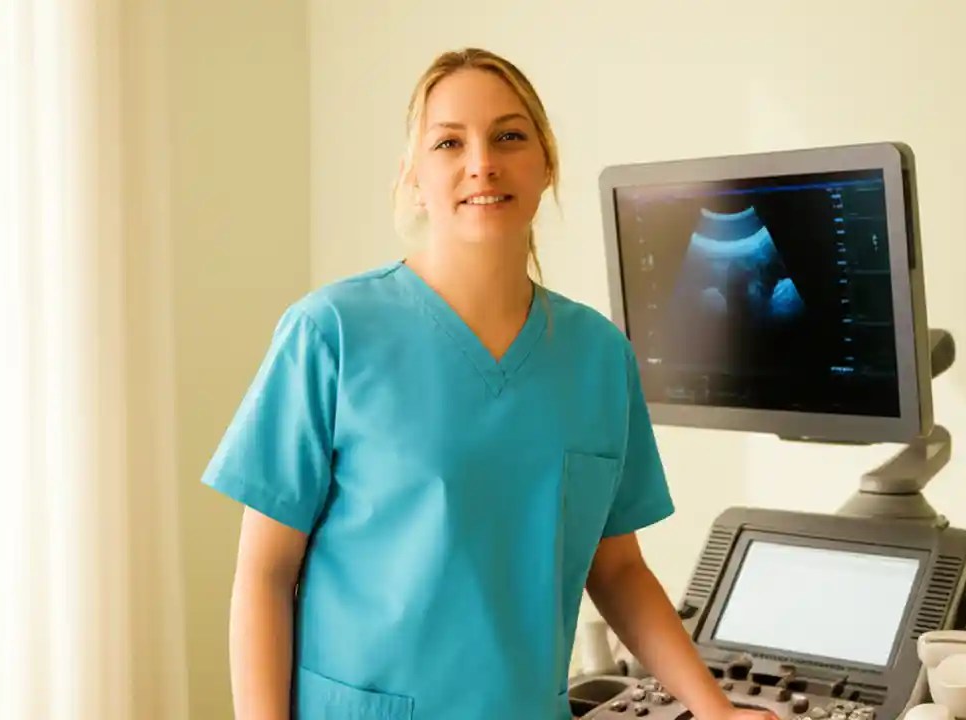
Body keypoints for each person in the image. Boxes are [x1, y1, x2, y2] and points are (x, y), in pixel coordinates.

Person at [202, 47, 781, 720]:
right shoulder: (328, 333)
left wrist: (716, 710)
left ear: (545, 166)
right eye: (449, 142)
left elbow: (618, 570)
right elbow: (265, 574)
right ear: (414, 177)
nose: (482, 161)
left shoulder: (597, 355)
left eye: (509, 136)